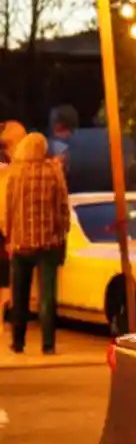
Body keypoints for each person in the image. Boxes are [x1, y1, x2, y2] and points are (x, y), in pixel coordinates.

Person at [3, 133, 69, 355]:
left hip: (20, 245)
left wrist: (9, 236)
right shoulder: (53, 171)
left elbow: (6, 209)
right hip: (48, 245)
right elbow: (62, 205)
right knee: (47, 297)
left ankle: (18, 342)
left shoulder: (14, 173)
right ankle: (48, 344)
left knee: (19, 296)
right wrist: (62, 231)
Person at [0, 121, 27, 338]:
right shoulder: (12, 170)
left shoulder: (12, 170)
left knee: (7, 280)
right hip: (8, 229)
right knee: (8, 280)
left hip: (8, 229)